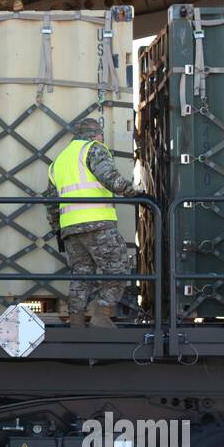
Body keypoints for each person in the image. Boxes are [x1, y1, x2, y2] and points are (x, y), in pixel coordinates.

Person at [45, 117, 138, 329]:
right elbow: (110, 178)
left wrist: (58, 231)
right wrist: (137, 194)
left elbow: (51, 204)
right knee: (119, 268)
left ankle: (76, 322)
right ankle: (101, 313)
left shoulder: (57, 162)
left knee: (81, 276)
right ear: (96, 134)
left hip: (71, 230)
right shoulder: (93, 149)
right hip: (98, 224)